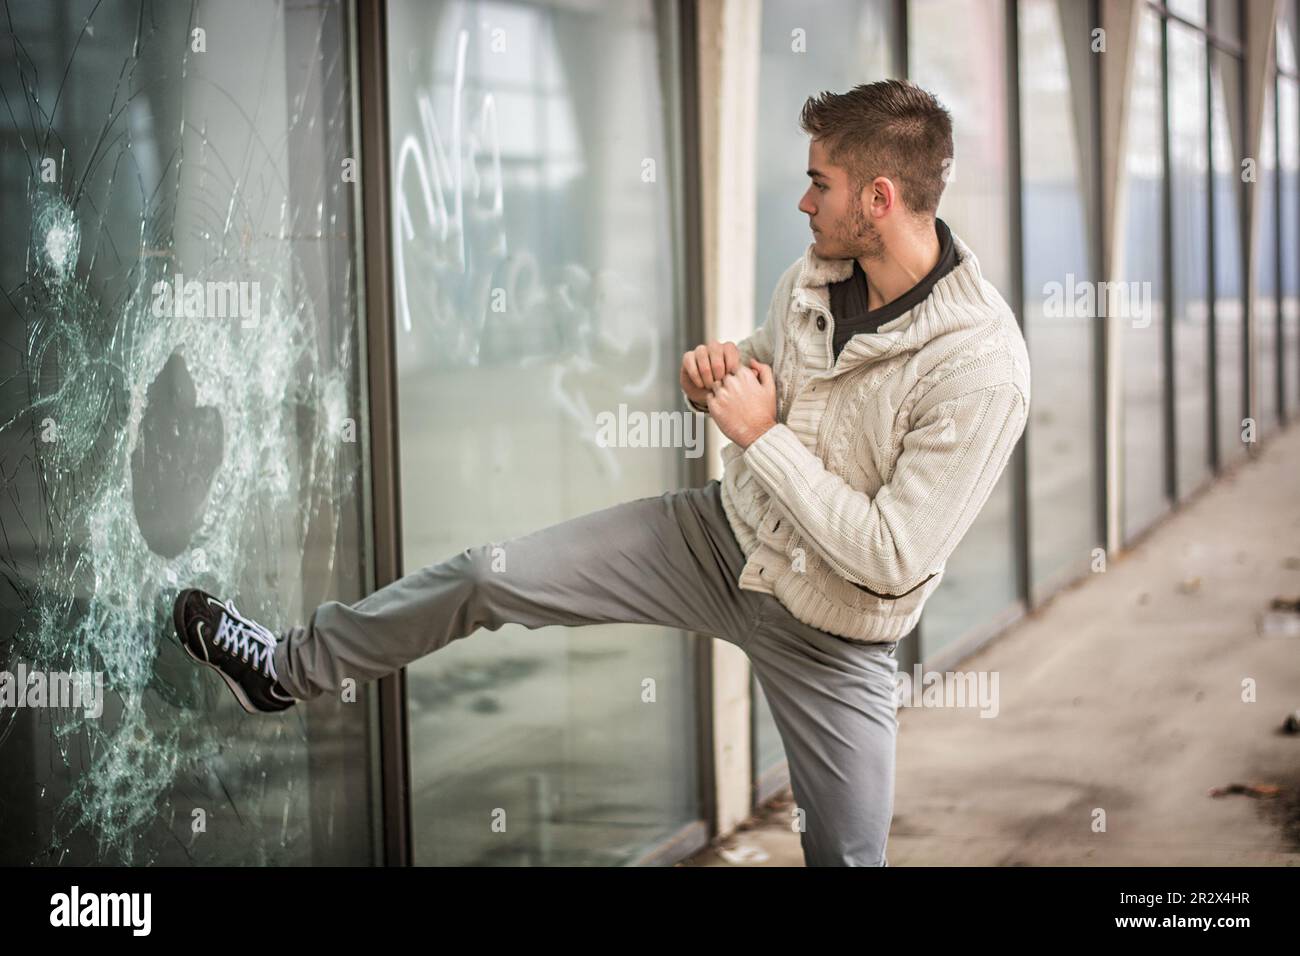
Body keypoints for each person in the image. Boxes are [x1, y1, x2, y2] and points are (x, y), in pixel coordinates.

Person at [173, 78, 1030, 867]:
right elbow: (777, 363)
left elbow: (892, 554)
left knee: (847, 860)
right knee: (487, 575)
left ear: (879, 200)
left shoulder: (980, 368)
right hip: (719, 539)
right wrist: (723, 370)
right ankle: (286, 671)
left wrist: (762, 436)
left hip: (835, 637)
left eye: (821, 184)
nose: (804, 202)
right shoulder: (819, 271)